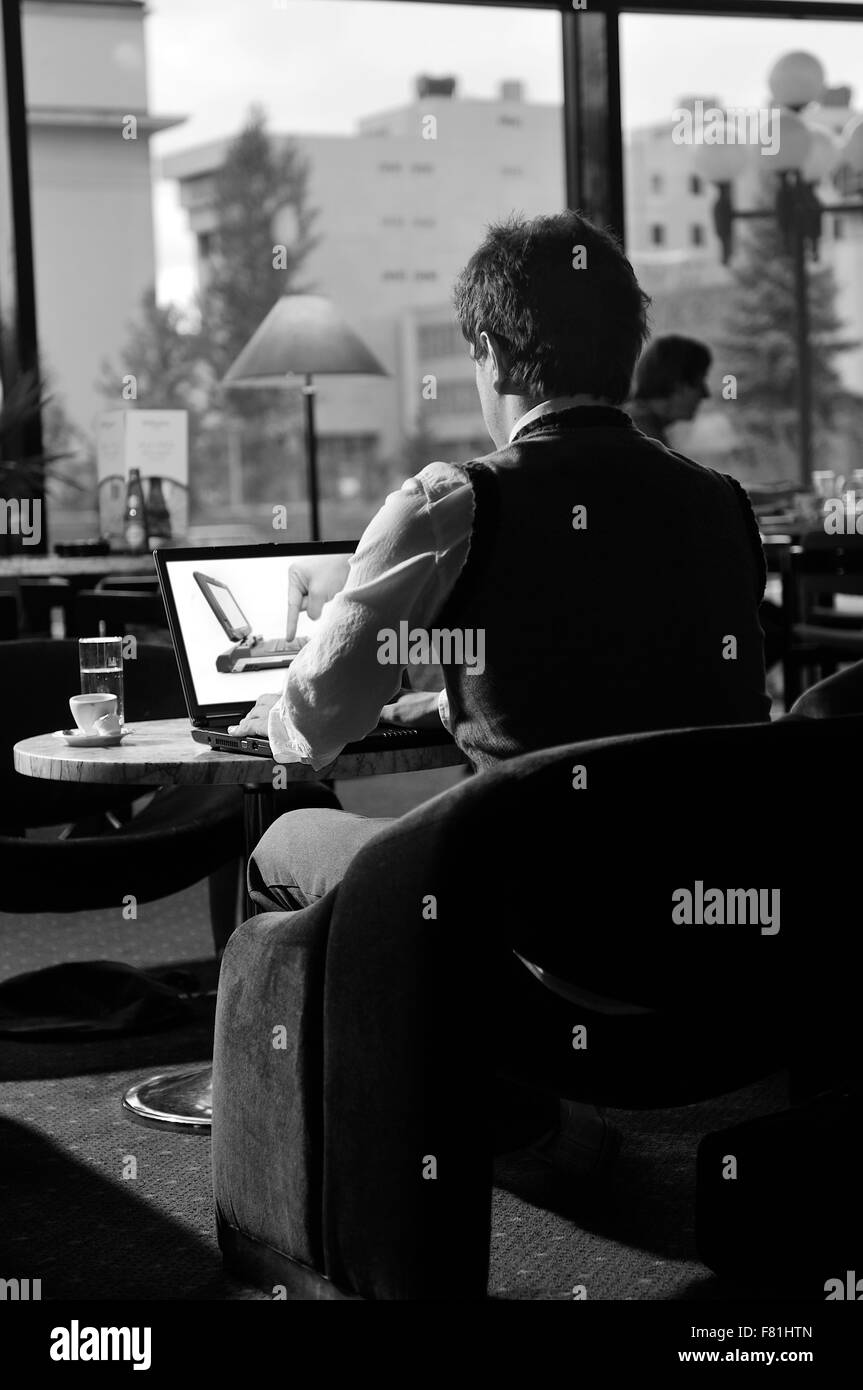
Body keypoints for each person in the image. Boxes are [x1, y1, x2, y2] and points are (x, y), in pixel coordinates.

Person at [230, 211, 770, 914]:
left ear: (491, 349)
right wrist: (447, 702)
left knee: (285, 838)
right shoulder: (723, 503)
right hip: (707, 898)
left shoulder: (453, 501)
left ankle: (362, 1024)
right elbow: (621, 674)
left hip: (542, 912)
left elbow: (318, 719)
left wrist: (273, 718)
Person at [626, 333, 712, 448]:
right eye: (699, 383)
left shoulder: (634, 425)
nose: (706, 394)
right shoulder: (645, 441)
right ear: (676, 385)